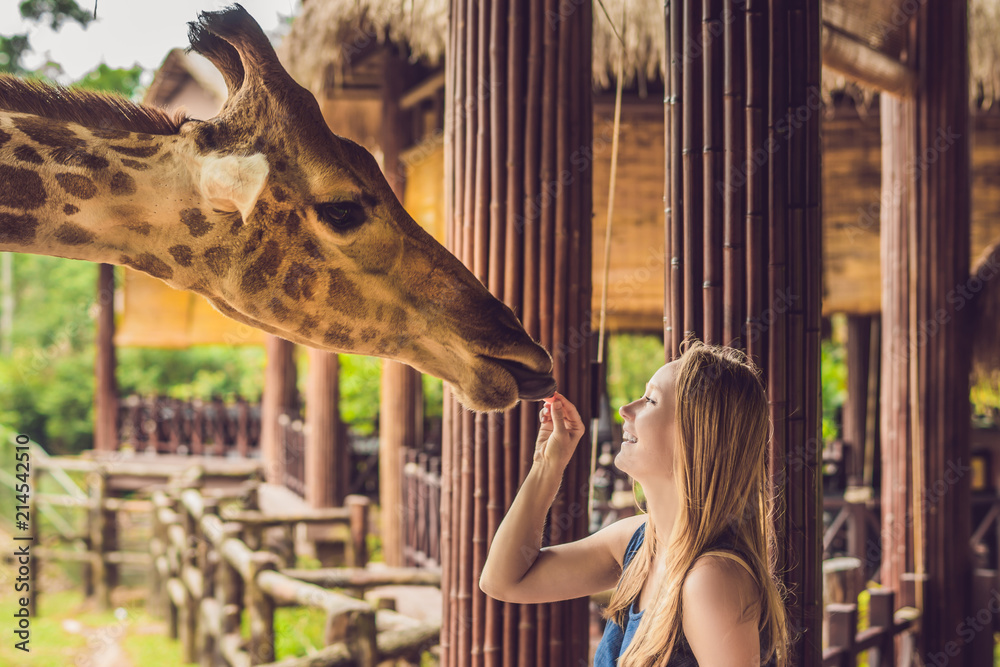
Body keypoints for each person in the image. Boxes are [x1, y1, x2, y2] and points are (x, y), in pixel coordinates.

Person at [479, 340, 790, 666]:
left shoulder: (710, 581)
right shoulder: (638, 543)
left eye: (650, 400)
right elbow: (503, 581)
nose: (625, 409)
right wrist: (547, 464)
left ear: (695, 434)